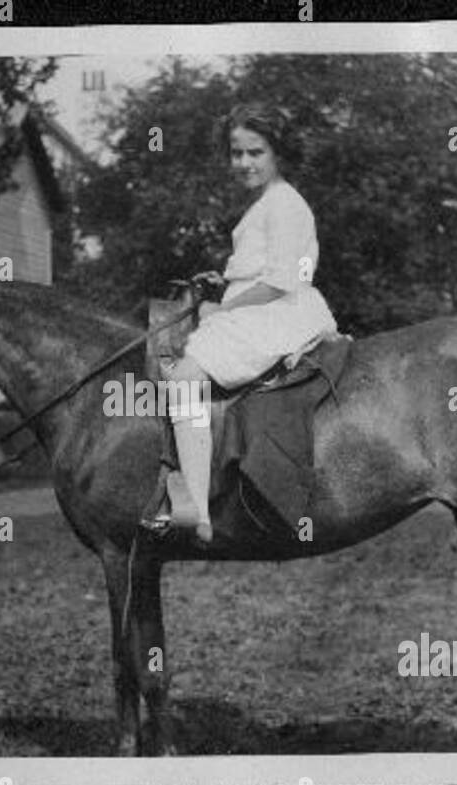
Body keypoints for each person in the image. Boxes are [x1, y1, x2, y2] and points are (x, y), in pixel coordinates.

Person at [154, 102, 339, 544]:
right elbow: (259, 267)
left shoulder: (286, 204)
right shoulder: (265, 204)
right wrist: (227, 282)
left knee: (184, 376)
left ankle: (196, 508)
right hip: (262, 309)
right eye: (236, 154)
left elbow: (279, 281)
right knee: (163, 353)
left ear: (277, 153)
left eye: (255, 152)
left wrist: (223, 309)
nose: (244, 163)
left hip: (280, 313)